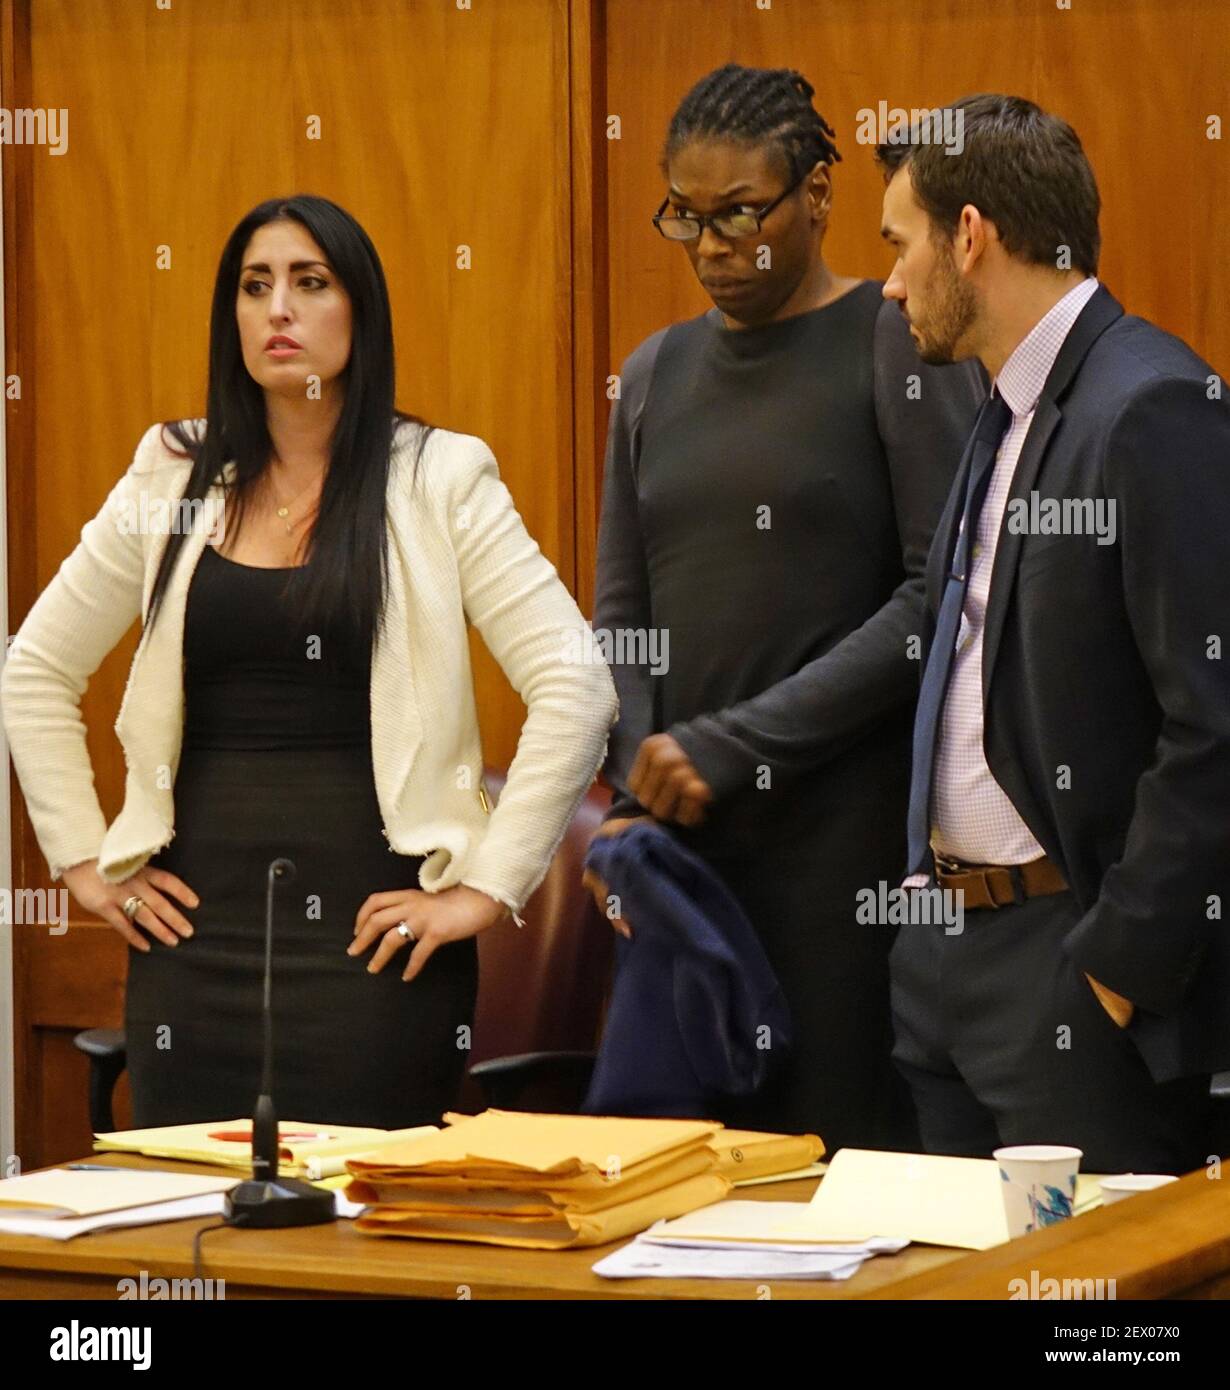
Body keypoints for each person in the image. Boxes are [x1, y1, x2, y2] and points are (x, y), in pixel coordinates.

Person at [0, 194, 617, 1130]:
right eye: (255, 287)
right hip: (191, 949)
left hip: (374, 958)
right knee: (191, 1226)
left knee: (359, 1247)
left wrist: (488, 888)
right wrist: (83, 860)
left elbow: (577, 682)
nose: (277, 308)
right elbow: (34, 665)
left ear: (358, 311)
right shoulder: (171, 472)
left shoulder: (440, 478)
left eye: (309, 282)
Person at [587, 64, 983, 1149]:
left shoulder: (895, 344)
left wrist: (730, 742)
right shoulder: (656, 373)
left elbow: (933, 602)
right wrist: (637, 775)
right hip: (687, 856)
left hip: (845, 864)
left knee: (835, 1184)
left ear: (816, 195)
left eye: (741, 213)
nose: (714, 245)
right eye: (687, 216)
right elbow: (619, 613)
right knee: (682, 1186)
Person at [881, 94, 1230, 1173]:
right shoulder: (1003, 411)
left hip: (1067, 966)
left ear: (970, 235)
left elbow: (1214, 719)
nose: (890, 282)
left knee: (1092, 1331)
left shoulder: (1150, 406)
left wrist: (1117, 965)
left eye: (900, 244)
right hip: (946, 956)